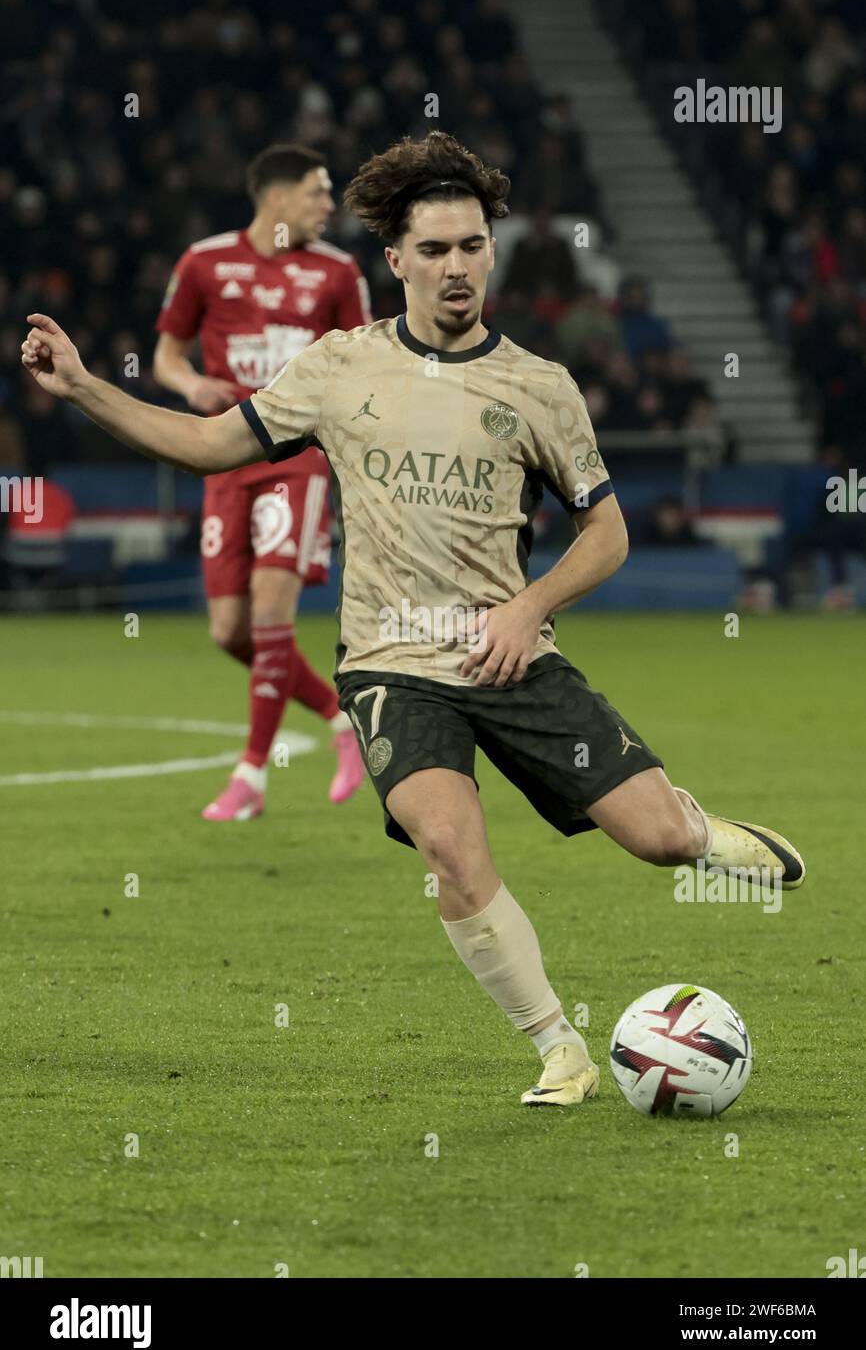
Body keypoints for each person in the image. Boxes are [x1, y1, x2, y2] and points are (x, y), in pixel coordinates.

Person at [21, 131, 805, 1108]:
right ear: (393, 261)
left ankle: (700, 833)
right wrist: (87, 386)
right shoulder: (337, 367)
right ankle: (558, 1047)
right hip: (392, 663)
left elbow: (605, 536)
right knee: (445, 842)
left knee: (652, 842)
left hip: (511, 658)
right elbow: (211, 444)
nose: (455, 267)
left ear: (490, 251)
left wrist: (528, 606)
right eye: (432, 250)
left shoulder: (538, 386)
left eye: (471, 246)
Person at [153, 143, 371, 820]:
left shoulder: (337, 273)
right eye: (317, 192)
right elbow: (165, 356)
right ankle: (343, 719)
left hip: (293, 461)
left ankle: (249, 777)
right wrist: (191, 384)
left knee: (272, 617)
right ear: (275, 198)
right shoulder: (204, 262)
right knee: (230, 631)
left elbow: (363, 367)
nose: (328, 205)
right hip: (222, 458)